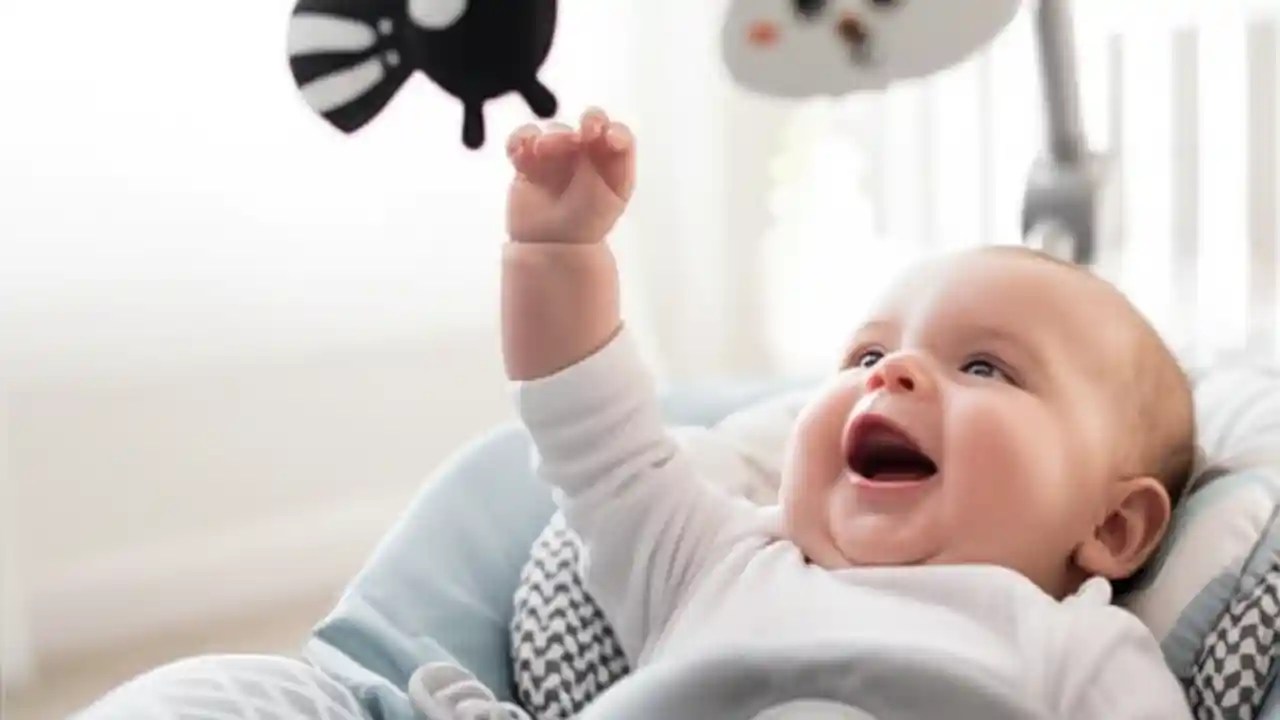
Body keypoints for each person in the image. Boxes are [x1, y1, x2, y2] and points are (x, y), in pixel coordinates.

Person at [499, 107, 1195, 718]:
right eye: (867, 357)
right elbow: (597, 447)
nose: (893, 372)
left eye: (984, 368)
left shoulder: (1077, 651)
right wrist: (557, 254)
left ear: (1111, 525)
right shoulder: (712, 562)